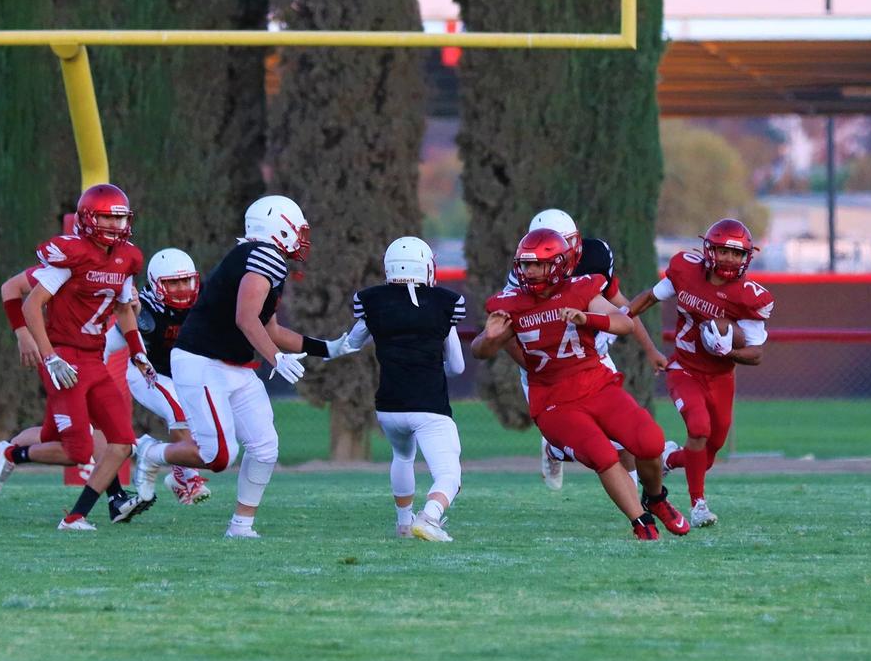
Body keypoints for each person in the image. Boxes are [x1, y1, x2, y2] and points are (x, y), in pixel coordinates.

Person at [475, 226, 688, 540]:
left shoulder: (582, 288)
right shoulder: (510, 304)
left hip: (597, 385)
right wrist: (488, 338)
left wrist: (587, 318)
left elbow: (624, 322)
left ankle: (655, 499)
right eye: (525, 264)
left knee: (651, 442)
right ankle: (640, 521)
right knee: (603, 454)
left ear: (560, 264)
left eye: (537, 264)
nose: (529, 271)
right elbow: (481, 350)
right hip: (554, 401)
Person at [0, 184, 153, 531]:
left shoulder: (127, 257)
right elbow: (25, 300)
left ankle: (76, 515)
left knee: (120, 442)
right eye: (106, 218)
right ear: (87, 219)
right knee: (77, 449)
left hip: (94, 356)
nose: (115, 226)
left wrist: (139, 353)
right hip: (65, 355)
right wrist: (46, 352)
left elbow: (126, 309)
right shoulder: (70, 254)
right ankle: (8, 455)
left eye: (120, 219)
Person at [163, 195, 326, 541]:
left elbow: (271, 329)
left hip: (232, 365)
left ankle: (241, 526)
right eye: (296, 229)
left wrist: (327, 347)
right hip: (202, 360)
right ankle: (147, 453)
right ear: (278, 228)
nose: (301, 238)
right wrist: (276, 359)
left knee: (265, 446)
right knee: (219, 455)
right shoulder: (263, 255)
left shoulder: (264, 259)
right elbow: (245, 319)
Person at [626, 218, 774, 526]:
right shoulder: (685, 270)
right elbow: (651, 296)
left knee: (707, 455)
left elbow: (757, 354)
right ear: (708, 250)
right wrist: (618, 318)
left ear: (747, 257)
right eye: (723, 251)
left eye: (736, 254)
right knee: (699, 429)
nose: (729, 259)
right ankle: (699, 506)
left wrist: (728, 352)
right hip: (685, 368)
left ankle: (667, 459)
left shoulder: (748, 296)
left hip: (720, 377)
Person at [326, 236, 469, 542]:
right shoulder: (444, 303)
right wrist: (431, 367)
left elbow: (352, 343)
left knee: (403, 457)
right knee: (449, 474)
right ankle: (429, 517)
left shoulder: (374, 300)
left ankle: (404, 524)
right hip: (429, 405)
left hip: (389, 406)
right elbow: (457, 366)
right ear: (426, 267)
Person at [523, 206, 637, 492]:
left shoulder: (595, 255)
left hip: (591, 355)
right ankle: (556, 450)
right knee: (586, 443)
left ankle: (641, 500)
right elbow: (513, 335)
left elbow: (620, 307)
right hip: (546, 365)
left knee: (623, 434)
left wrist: (650, 349)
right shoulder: (526, 277)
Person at [121, 246, 212, 511]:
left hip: (183, 376)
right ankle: (183, 475)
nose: (183, 288)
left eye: (186, 280)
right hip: (147, 373)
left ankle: (170, 467)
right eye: (174, 283)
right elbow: (118, 333)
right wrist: (131, 313)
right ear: (155, 284)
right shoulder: (143, 307)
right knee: (179, 411)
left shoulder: (204, 298)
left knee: (203, 430)